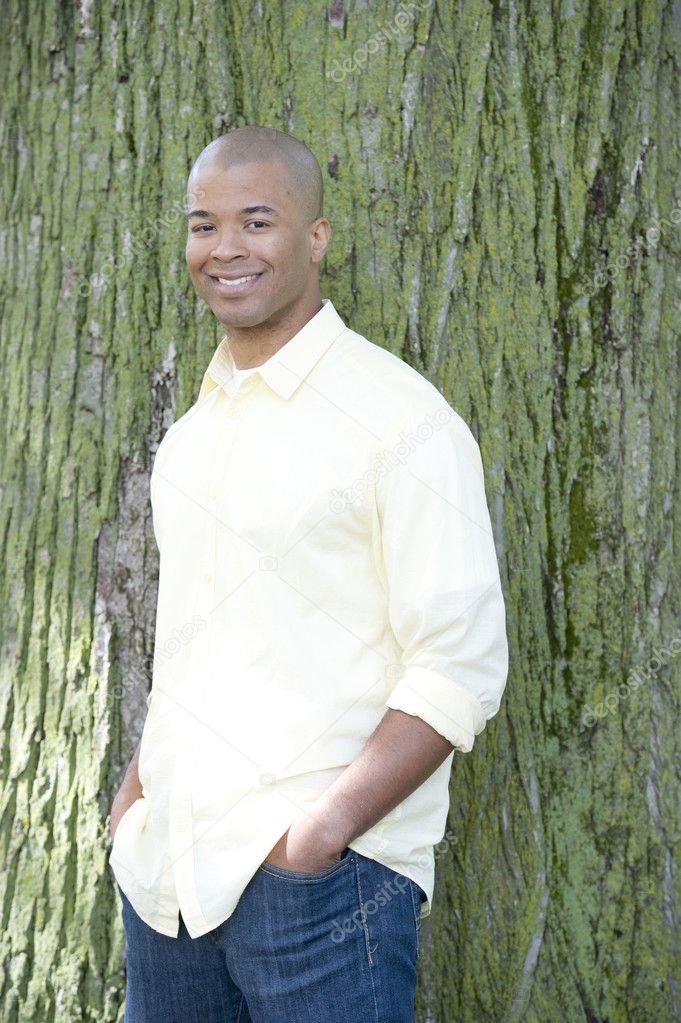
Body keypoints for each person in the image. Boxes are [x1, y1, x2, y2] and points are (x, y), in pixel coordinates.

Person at [108, 125, 509, 1022]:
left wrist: (319, 836)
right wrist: (135, 798)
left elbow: (459, 664)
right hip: (166, 876)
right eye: (203, 224)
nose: (225, 249)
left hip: (321, 891)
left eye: (257, 221)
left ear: (316, 237)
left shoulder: (400, 422)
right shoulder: (194, 435)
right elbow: (195, 645)